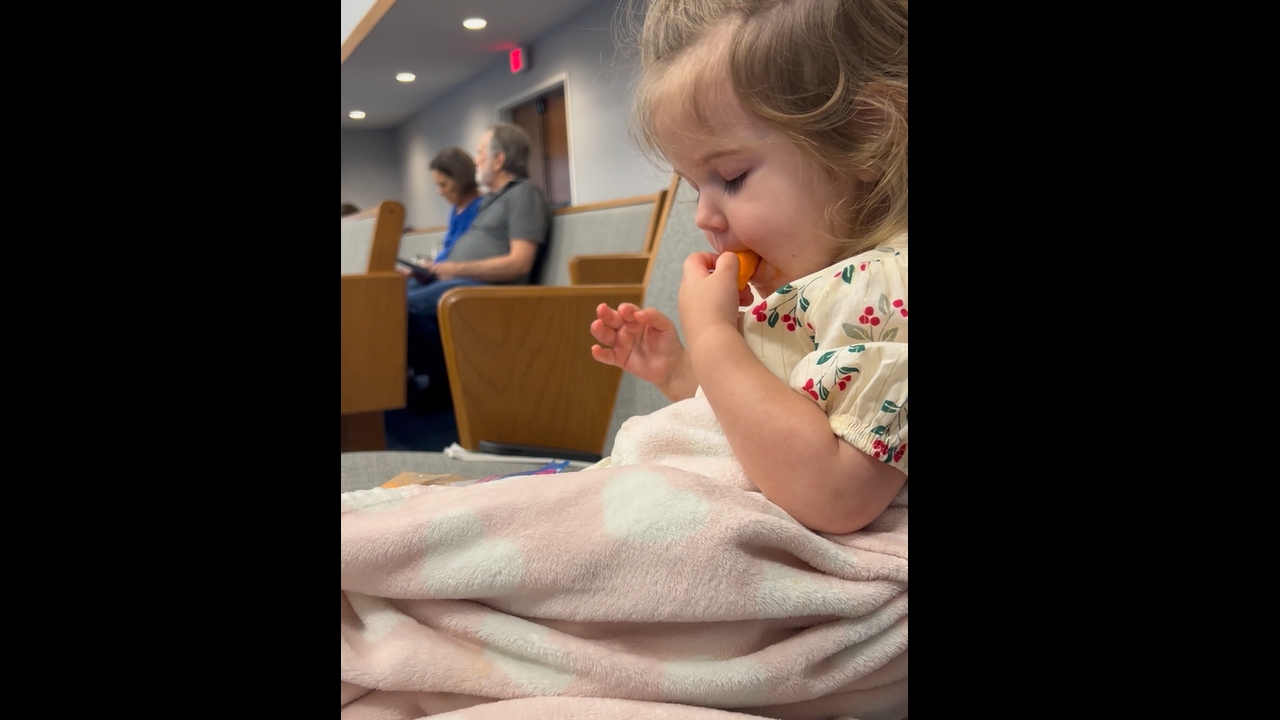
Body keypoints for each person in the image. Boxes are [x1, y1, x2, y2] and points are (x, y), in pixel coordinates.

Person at [589, 0, 908, 535]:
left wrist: (714, 337)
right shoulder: (810, 284)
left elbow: (833, 493)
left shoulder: (886, 288)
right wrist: (680, 372)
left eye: (731, 177)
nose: (705, 217)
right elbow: (764, 417)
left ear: (867, 136)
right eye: (695, 189)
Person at [398, 123, 552, 410]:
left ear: (499, 159)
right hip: (460, 279)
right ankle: (413, 380)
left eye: (481, 152)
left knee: (400, 306)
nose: (476, 159)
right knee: (387, 295)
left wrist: (454, 269)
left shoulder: (524, 194)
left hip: (491, 289)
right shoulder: (490, 201)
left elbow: (519, 263)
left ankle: (442, 384)